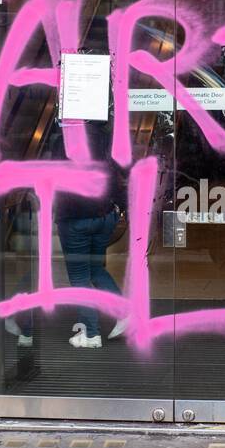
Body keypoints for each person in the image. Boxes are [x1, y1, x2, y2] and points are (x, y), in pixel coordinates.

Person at [54, 120, 127, 348]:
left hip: (75, 218)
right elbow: (118, 172)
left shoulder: (65, 140)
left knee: (79, 277)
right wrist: (118, 207)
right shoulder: (105, 137)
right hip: (103, 214)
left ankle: (91, 333)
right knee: (95, 268)